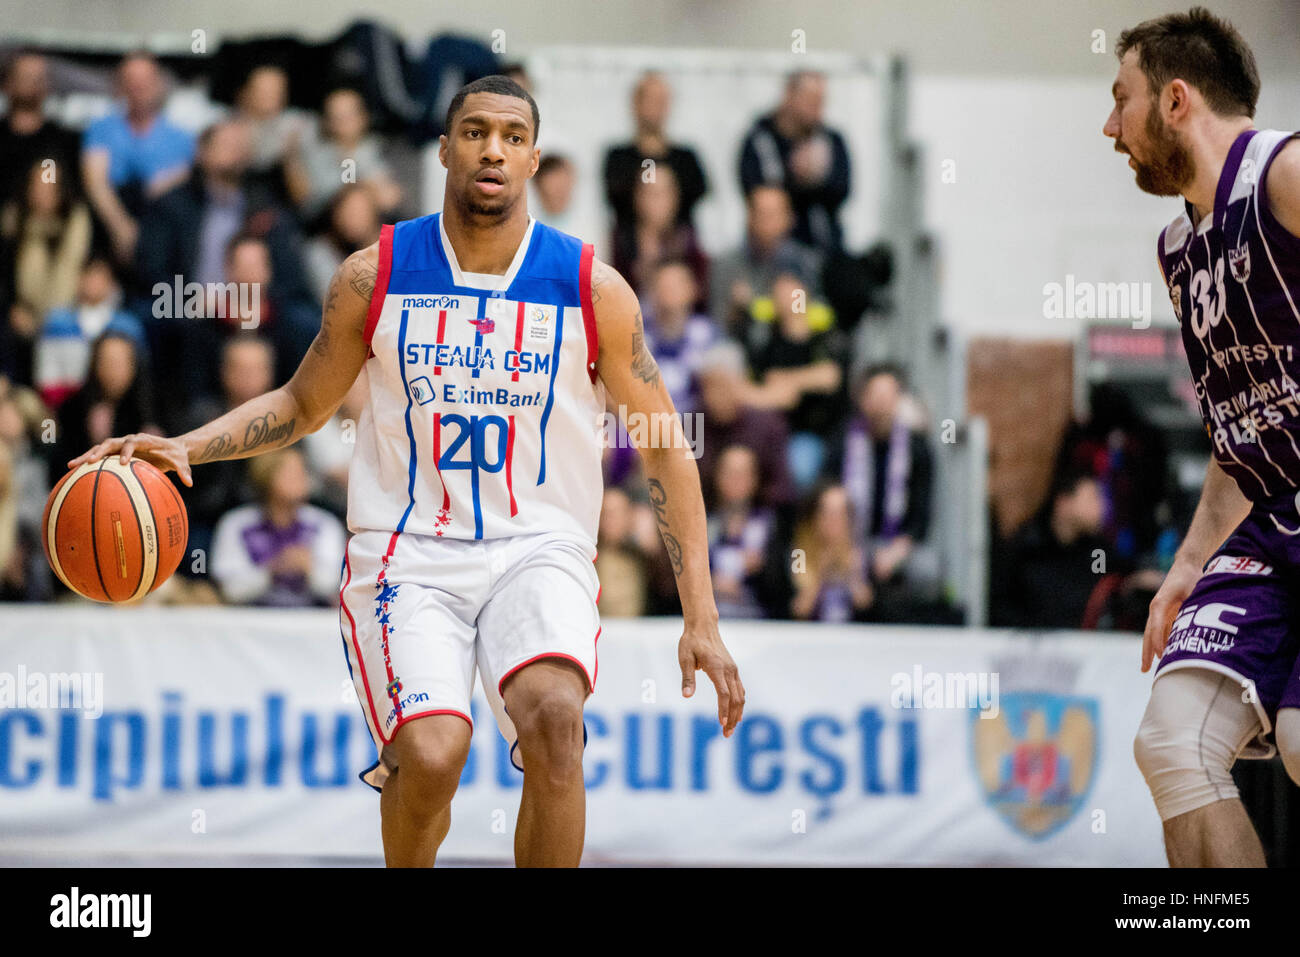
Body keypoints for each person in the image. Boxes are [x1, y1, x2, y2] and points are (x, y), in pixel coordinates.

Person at [69, 75, 744, 868]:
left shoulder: (592, 287)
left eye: (513, 136)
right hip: (407, 552)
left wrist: (701, 615)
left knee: (558, 722)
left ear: (532, 160)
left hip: (540, 546)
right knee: (431, 754)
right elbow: (300, 403)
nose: (493, 147)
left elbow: (665, 443)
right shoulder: (374, 273)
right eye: (476, 131)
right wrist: (187, 444)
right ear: (445, 149)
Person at [1104, 8, 1300, 867]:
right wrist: (1188, 564)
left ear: (1176, 99)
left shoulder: (1286, 175)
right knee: (1173, 742)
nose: (1110, 127)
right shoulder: (1179, 250)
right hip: (1275, 515)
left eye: (1123, 100)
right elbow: (1238, 429)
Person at [825, 364, 936, 622]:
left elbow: (921, 515)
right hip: (847, 539)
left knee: (927, 569)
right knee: (813, 562)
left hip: (894, 543)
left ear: (899, 400)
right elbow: (828, 499)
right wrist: (847, 547)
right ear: (863, 400)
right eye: (875, 397)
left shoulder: (917, 448)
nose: (881, 405)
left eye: (888, 397)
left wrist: (896, 551)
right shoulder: (843, 441)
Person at [81, 51, 196, 266]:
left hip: (161, 231)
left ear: (159, 83)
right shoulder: (101, 129)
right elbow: (95, 183)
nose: (139, 87)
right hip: (108, 227)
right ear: (120, 85)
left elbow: (184, 179)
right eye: (131, 81)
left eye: (145, 80)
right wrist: (123, 230)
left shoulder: (181, 137)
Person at [210, 447, 346, 607]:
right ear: (267, 476)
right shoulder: (236, 524)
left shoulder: (324, 524)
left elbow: (339, 585)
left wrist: (309, 569)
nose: (303, 478)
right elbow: (229, 589)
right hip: (250, 619)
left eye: (303, 471)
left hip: (312, 619)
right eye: (292, 473)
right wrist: (271, 571)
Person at [739, 70, 851, 253]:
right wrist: (796, 176)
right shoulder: (760, 139)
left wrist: (816, 178)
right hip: (773, 251)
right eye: (811, 100)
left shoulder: (830, 140)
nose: (817, 109)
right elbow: (758, 194)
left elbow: (842, 189)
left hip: (825, 245)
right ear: (789, 95)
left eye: (821, 101)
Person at [989, 471, 1113, 629]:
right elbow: (1001, 604)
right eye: (1092, 498)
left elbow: (1104, 587)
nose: (1101, 507)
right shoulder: (1025, 549)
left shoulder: (1098, 552)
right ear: (1064, 502)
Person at [602, 71, 708, 237]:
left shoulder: (686, 158)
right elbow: (615, 197)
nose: (656, 107)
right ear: (636, 103)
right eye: (650, 99)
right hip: (629, 252)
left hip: (681, 250)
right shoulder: (618, 158)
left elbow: (699, 196)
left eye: (661, 100)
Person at [34, 256, 143, 410]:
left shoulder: (128, 325)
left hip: (121, 408)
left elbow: (140, 379)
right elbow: (46, 378)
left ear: (111, 284)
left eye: (100, 277)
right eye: (89, 275)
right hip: (67, 407)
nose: (93, 283)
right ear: (78, 279)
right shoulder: (56, 322)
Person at [709, 184, 822, 333]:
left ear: (790, 218)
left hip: (794, 341)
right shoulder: (727, 263)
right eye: (762, 213)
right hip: (744, 341)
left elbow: (817, 311)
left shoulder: (805, 261)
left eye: (774, 214)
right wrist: (739, 310)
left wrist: (794, 304)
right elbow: (718, 322)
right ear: (749, 217)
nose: (767, 221)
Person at [287, 87, 403, 224]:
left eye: (349, 115)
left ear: (364, 116)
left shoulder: (383, 149)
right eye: (336, 116)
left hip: (378, 227)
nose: (342, 123)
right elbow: (304, 202)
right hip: (324, 227)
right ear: (327, 122)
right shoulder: (314, 153)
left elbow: (391, 199)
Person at [0, 50, 82, 209]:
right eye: (25, 76)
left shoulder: (61, 142)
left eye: (38, 78)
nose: (33, 84)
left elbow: (59, 193)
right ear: (7, 83)